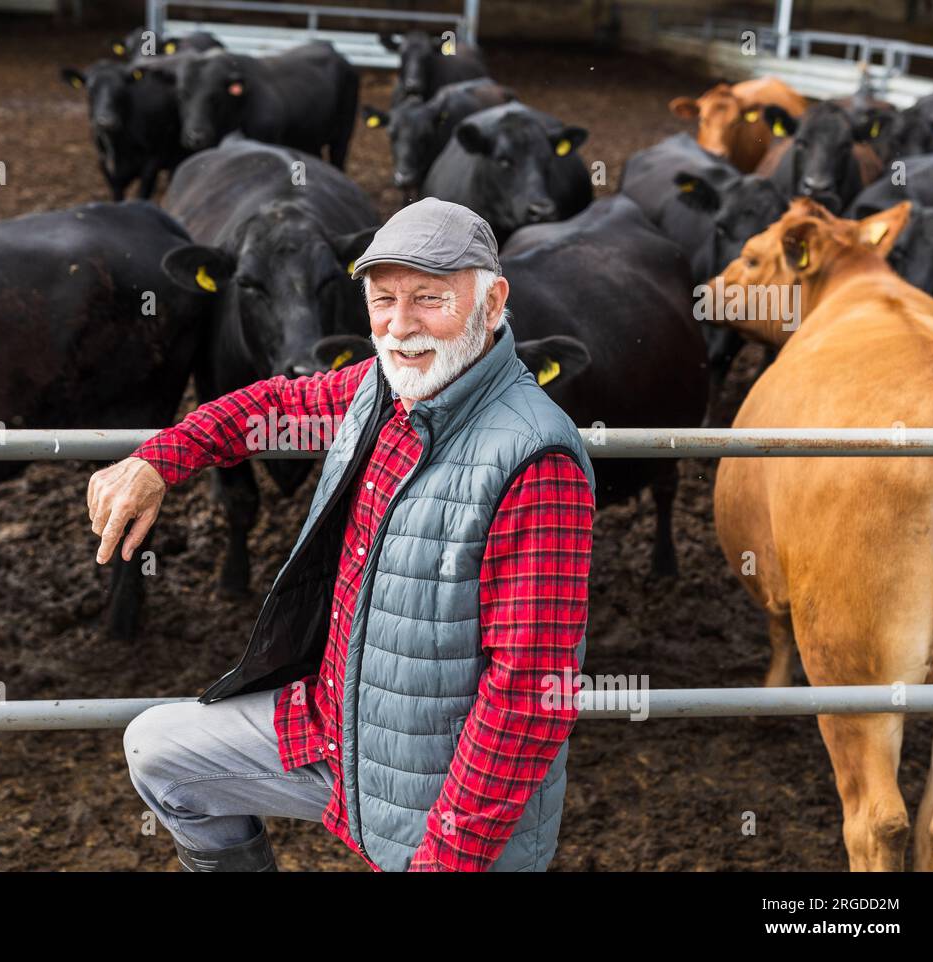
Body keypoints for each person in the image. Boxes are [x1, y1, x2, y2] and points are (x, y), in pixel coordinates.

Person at [87, 197, 596, 872]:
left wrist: (446, 858)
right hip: (336, 730)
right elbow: (276, 405)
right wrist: (160, 458)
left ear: (492, 301)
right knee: (161, 752)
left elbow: (528, 698)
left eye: (430, 298)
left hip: (442, 794)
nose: (402, 324)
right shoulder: (382, 387)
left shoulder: (535, 459)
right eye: (382, 300)